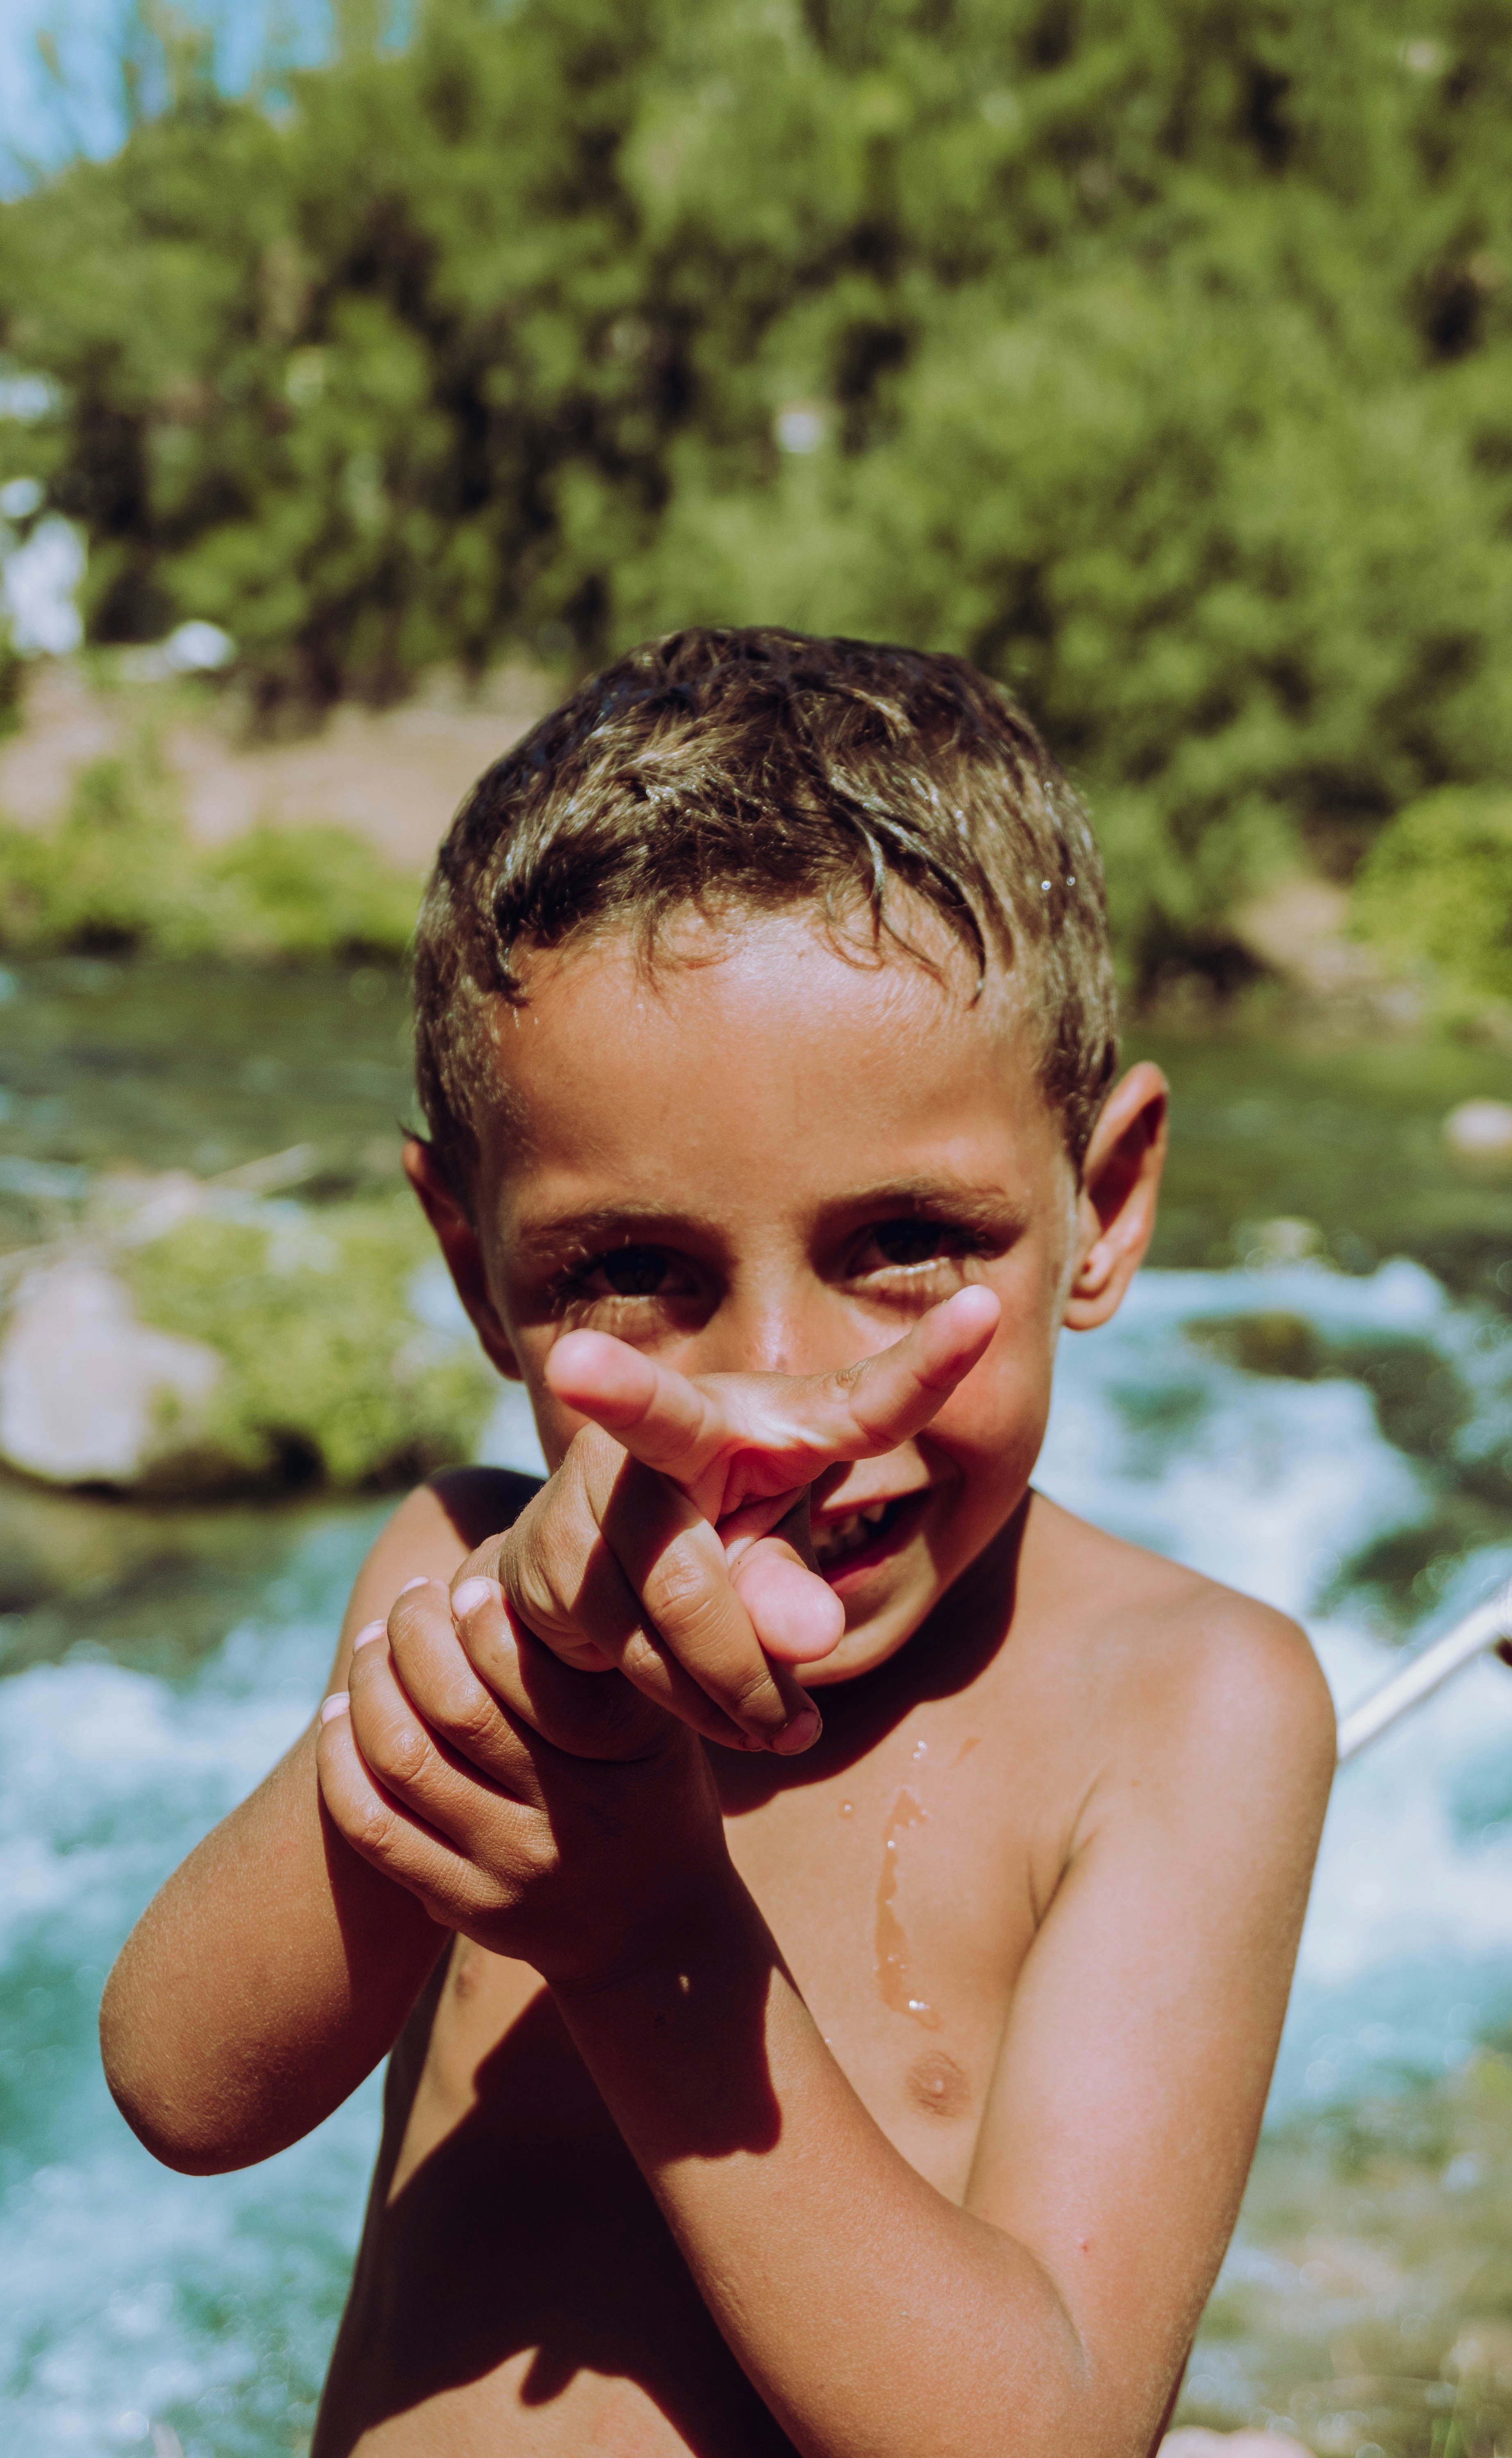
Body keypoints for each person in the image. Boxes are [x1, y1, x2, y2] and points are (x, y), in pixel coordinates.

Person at [100, 627, 1335, 2458]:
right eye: (629, 1271)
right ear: (476, 1271)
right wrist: (499, 1675)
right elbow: (186, 2092)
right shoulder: (457, 1579)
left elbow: (1047, 2429)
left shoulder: (1183, 1704)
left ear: (1104, 1202)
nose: (772, 1400)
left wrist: (645, 1940)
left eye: (905, 1242)